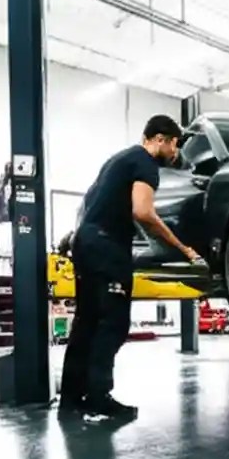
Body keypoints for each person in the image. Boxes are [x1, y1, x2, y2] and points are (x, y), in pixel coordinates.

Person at [60, 115, 201, 418]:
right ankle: (99, 397)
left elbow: (91, 199)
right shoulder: (145, 165)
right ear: (160, 139)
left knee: (86, 322)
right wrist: (180, 247)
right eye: (175, 144)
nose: (175, 153)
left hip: (85, 242)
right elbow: (143, 212)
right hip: (107, 249)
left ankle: (70, 399)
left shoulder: (118, 159)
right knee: (113, 323)